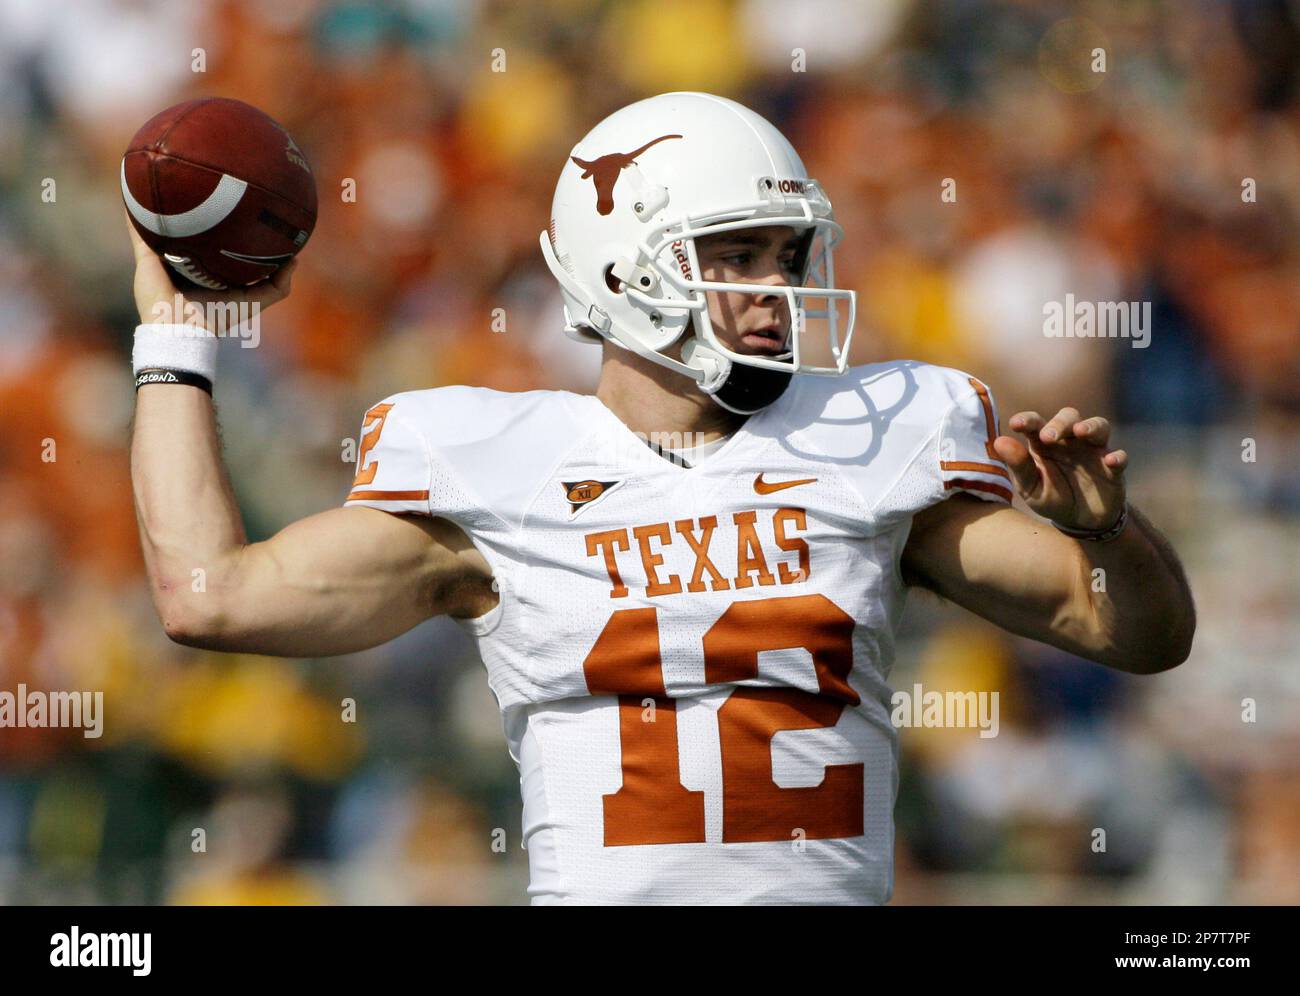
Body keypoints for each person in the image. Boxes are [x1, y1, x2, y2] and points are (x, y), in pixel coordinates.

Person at [127, 92, 1195, 905]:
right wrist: (175, 332)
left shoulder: (866, 441)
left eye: (785, 255)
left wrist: (1107, 531)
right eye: (735, 256)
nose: (775, 291)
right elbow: (209, 595)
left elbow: (1133, 632)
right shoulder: (499, 471)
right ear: (621, 266)